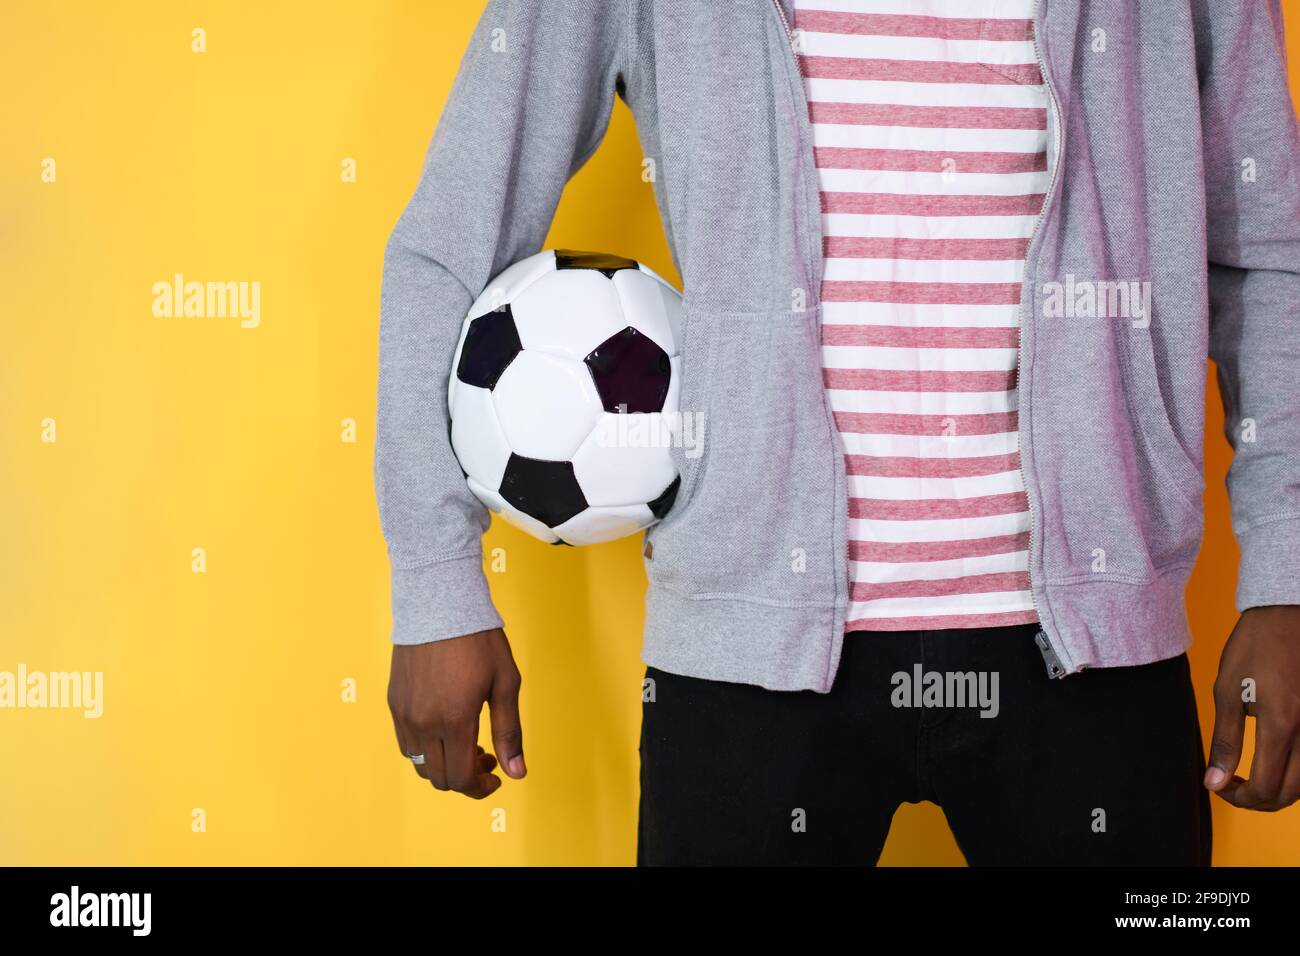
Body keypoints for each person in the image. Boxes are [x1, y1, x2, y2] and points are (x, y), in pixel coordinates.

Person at [377, 0, 1300, 865]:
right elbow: (447, 243)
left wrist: (1287, 573)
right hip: (749, 651)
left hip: (1098, 643)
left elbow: (1269, 257)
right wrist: (435, 582)